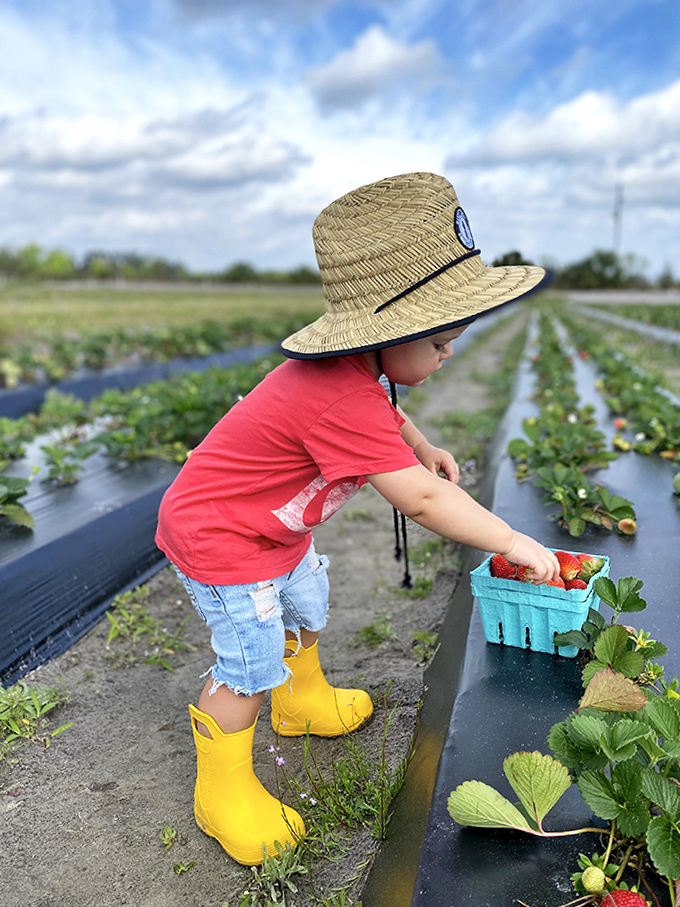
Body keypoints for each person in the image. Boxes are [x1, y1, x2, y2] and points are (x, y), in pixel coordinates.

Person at [155, 171, 560, 866]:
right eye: (440, 343)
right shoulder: (335, 396)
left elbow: (387, 410)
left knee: (307, 598)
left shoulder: (357, 375)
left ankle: (302, 699)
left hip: (271, 529)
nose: (448, 352)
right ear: (391, 331)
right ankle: (219, 789)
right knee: (248, 658)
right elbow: (422, 501)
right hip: (220, 535)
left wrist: (423, 444)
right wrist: (514, 538)